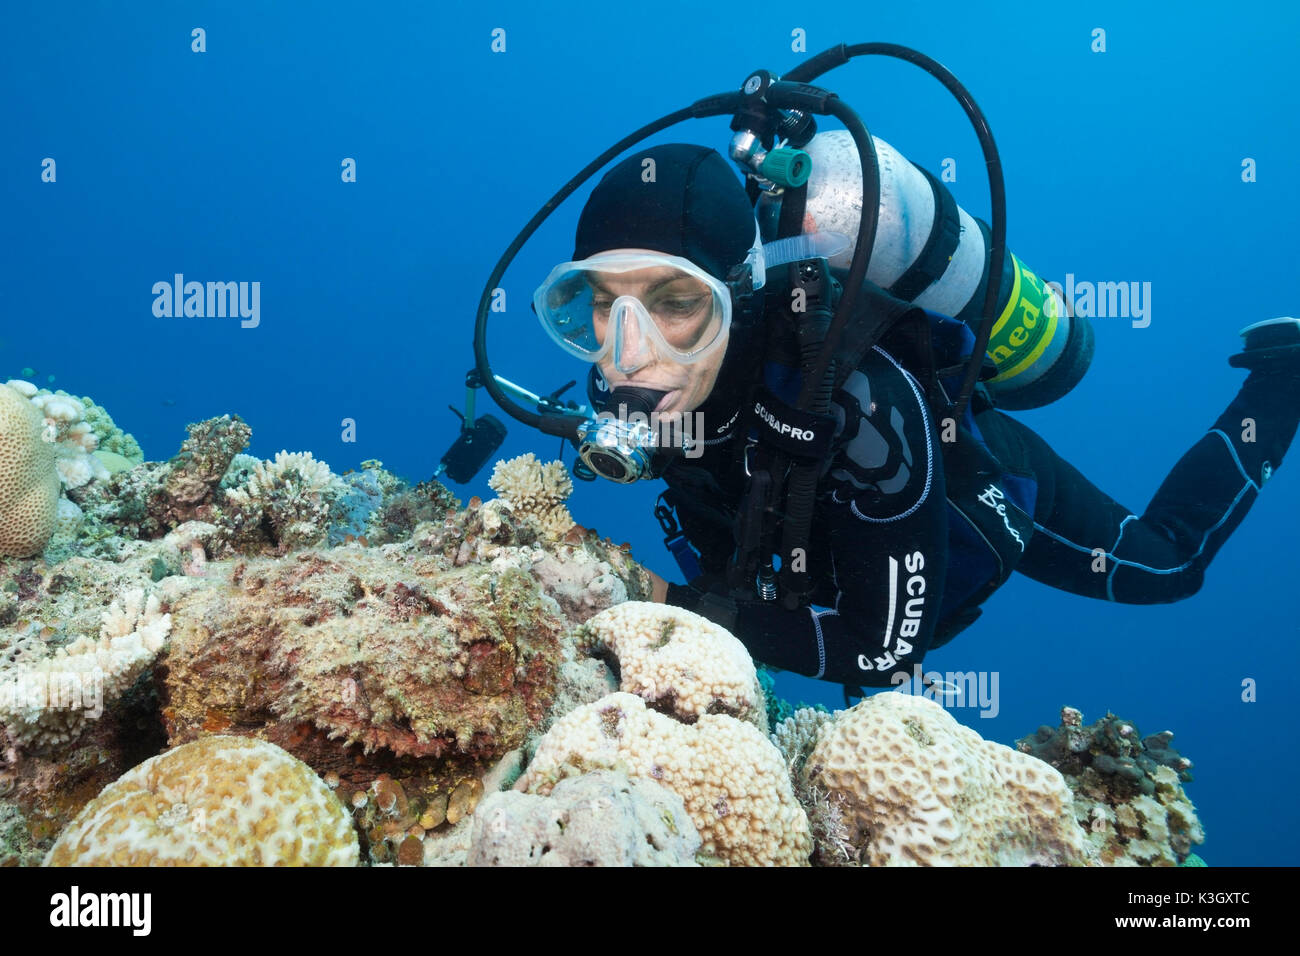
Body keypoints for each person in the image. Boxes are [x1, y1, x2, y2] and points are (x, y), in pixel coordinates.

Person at [531, 143, 1300, 688]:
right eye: (599, 306)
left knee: (1164, 569)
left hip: (980, 478)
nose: (628, 357)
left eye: (675, 303)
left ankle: (1281, 382)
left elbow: (879, 654)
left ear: (739, 293)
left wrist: (663, 603)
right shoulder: (624, 382)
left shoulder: (866, 412)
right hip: (796, 548)